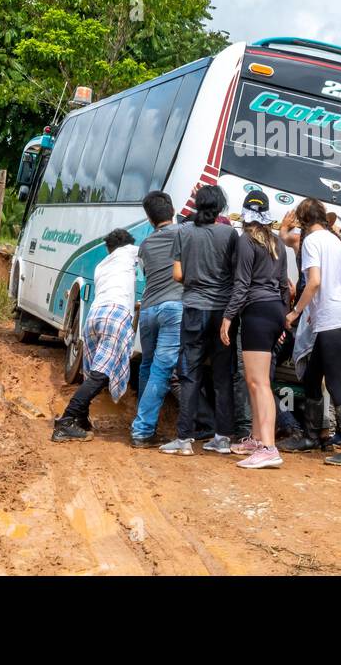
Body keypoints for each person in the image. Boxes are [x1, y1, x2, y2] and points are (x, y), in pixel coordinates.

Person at [283, 198, 341, 465]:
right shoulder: (335, 241)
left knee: (334, 382)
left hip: (330, 318)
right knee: (312, 375)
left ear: (304, 221)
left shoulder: (311, 242)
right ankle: (312, 435)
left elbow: (314, 281)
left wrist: (297, 312)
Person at [160, 185, 240, 456]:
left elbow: (178, 275)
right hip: (223, 314)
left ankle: (184, 439)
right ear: (220, 207)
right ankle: (223, 438)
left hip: (194, 308)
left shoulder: (183, 232)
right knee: (222, 376)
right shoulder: (230, 234)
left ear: (196, 204)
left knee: (189, 375)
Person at [221, 190, 293, 469]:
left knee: (259, 382)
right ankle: (256, 439)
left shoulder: (245, 241)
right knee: (257, 382)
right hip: (274, 311)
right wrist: (285, 319)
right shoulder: (277, 242)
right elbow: (285, 286)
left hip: (257, 312)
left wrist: (228, 317)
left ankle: (269, 448)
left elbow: (241, 284)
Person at [52, 228, 139, 442]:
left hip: (94, 316)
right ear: (126, 245)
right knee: (101, 374)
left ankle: (81, 420)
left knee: (93, 373)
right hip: (115, 316)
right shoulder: (129, 252)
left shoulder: (101, 266)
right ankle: (67, 420)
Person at [129, 191, 185, 447]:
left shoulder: (145, 245)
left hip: (148, 310)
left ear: (150, 220)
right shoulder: (185, 234)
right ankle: (141, 431)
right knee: (162, 371)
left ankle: (142, 421)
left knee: (147, 366)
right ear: (172, 210)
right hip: (173, 309)